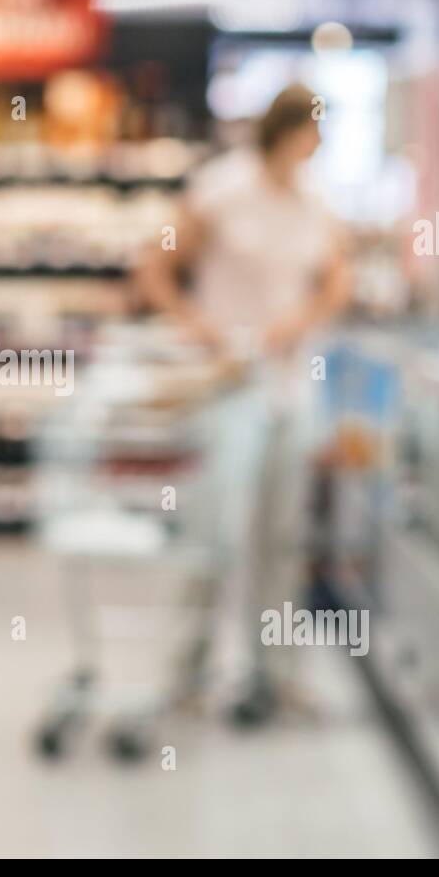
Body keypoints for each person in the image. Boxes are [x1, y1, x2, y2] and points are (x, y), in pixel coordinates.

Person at [135, 83, 352, 718]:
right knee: (215, 531)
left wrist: (304, 317)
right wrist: (198, 325)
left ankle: (277, 674)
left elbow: (339, 277)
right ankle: (187, 672)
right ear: (286, 130)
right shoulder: (224, 189)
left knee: (282, 538)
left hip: (288, 388)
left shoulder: (314, 201)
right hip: (228, 384)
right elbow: (155, 265)